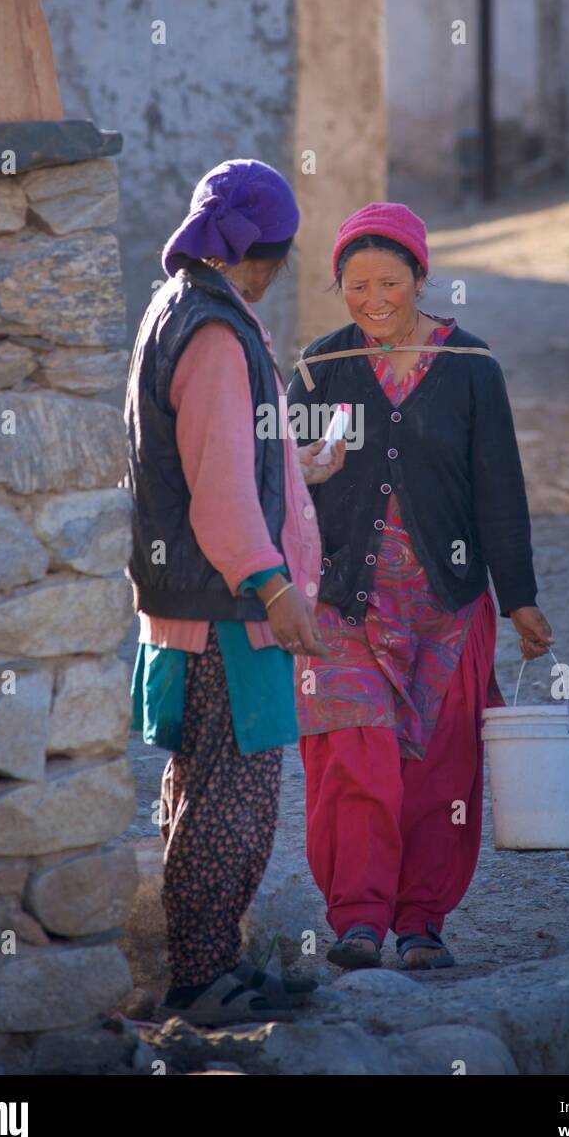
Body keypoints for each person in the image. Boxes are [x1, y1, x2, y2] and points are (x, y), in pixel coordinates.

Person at [286, 201, 554, 971]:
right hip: (343, 602)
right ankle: (359, 920)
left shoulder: (472, 369)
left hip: (446, 603)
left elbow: (499, 490)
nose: (373, 300)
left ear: (421, 278)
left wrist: (520, 597)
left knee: (440, 771)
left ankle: (420, 923)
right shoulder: (319, 368)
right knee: (353, 758)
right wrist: (304, 473)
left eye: (390, 283)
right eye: (356, 285)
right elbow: (280, 483)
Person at [124, 158, 345, 1025]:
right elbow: (219, 494)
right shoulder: (217, 334)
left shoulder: (175, 310)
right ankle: (203, 978)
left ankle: (203, 966)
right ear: (261, 253)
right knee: (237, 793)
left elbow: (230, 458)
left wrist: (304, 467)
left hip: (187, 602)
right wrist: (274, 588)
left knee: (199, 784)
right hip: (227, 611)